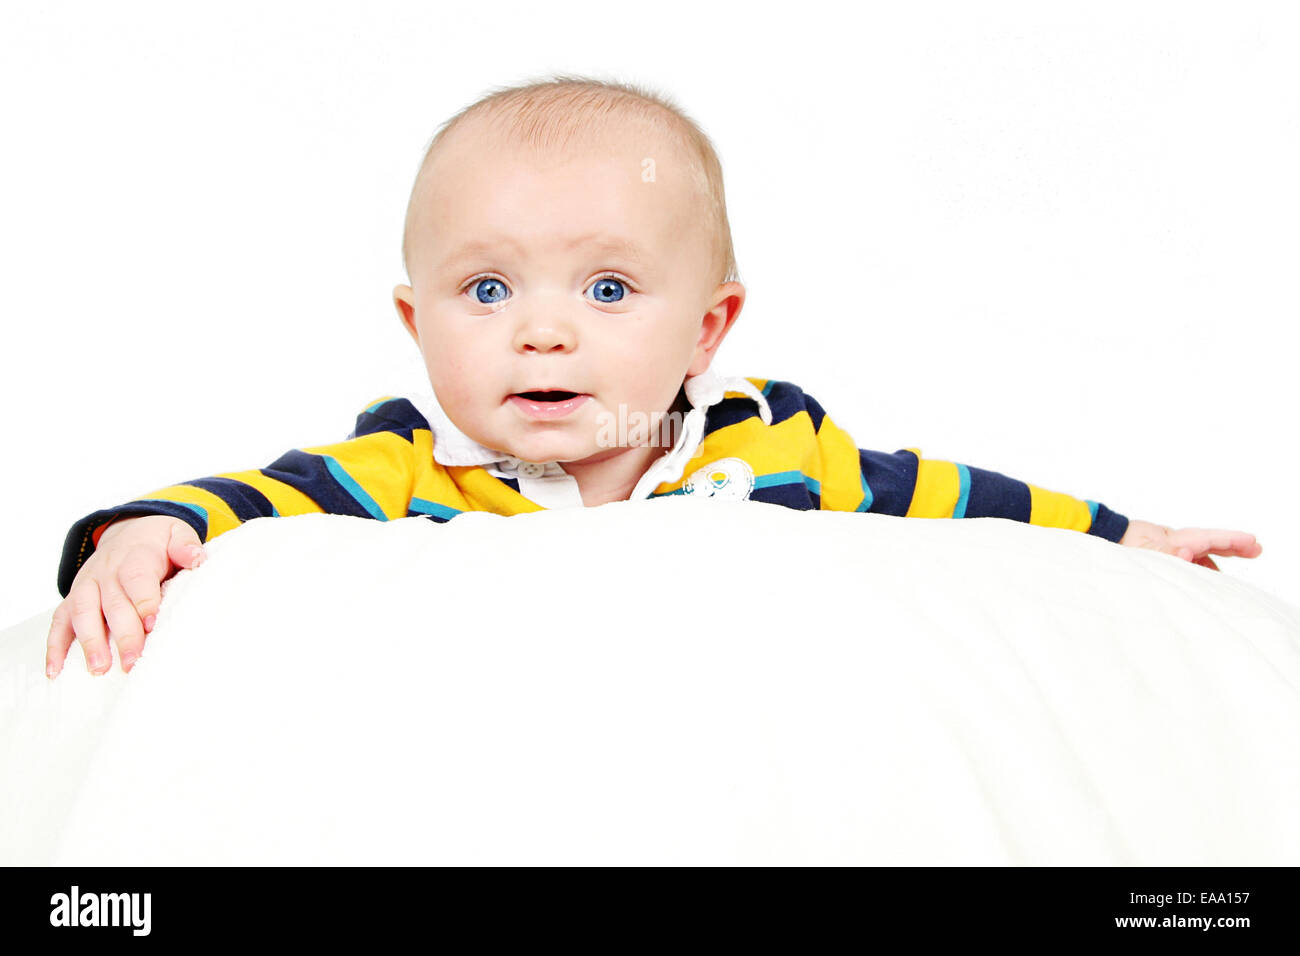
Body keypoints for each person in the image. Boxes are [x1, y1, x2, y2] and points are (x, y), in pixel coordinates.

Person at [46, 75, 1262, 679]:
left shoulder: (778, 447)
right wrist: (141, 529)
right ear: (415, 324)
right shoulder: (410, 467)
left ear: (707, 328)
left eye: (609, 290)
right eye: (486, 290)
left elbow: (955, 498)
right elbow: (257, 492)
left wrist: (1124, 533)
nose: (543, 332)